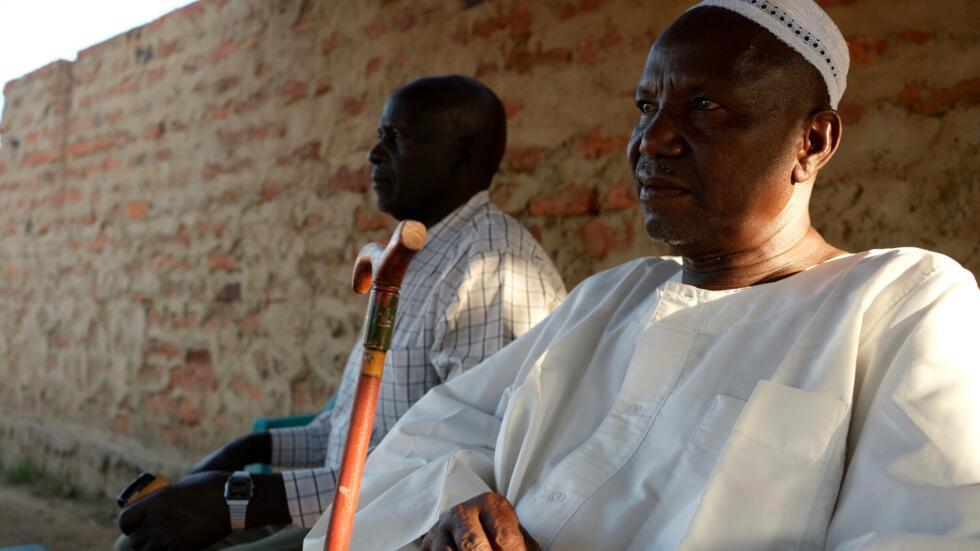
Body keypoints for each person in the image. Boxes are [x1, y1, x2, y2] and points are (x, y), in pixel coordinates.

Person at [302, 2, 980, 550]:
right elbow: (408, 456)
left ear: (813, 140)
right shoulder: (609, 298)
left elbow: (924, 533)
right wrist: (459, 518)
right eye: (646, 106)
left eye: (705, 107)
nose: (652, 139)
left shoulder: (901, 303)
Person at [115, 75, 566, 551]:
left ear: (462, 155)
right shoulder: (420, 256)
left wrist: (236, 500)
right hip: (344, 515)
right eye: (379, 136)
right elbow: (353, 434)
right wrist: (248, 451)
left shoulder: (491, 269)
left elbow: (454, 478)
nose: (374, 153)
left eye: (396, 138)